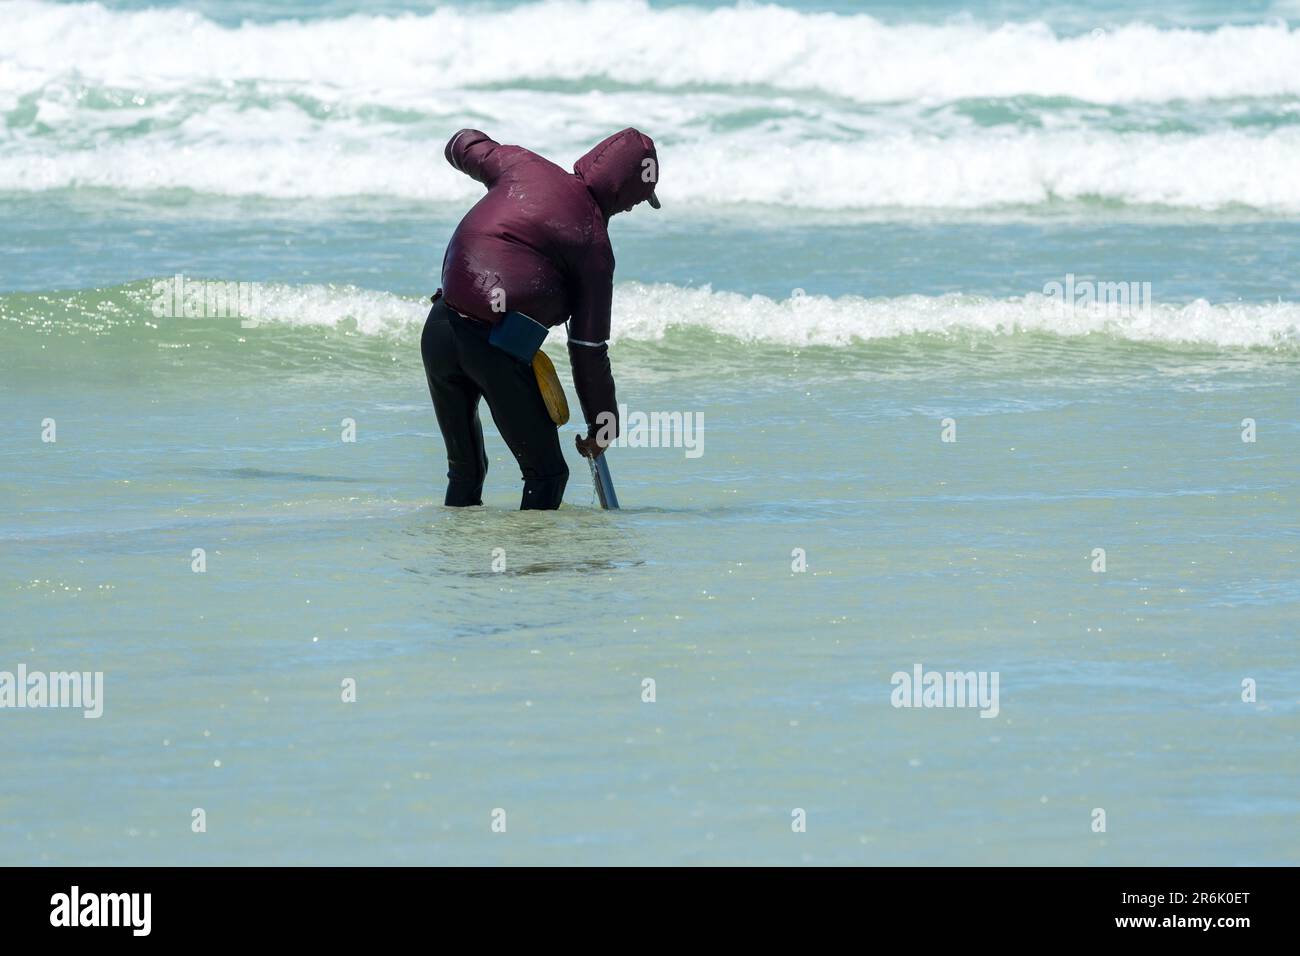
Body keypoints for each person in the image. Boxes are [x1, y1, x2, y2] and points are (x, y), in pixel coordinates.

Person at [421, 127, 660, 509]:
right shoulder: (594, 246)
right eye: (637, 197)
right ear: (624, 186)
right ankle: (533, 566)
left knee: (465, 469)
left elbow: (465, 145)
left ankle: (457, 564)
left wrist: (457, 143)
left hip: (438, 329)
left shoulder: (522, 164)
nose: (632, 207)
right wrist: (603, 422)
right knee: (547, 474)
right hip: (491, 349)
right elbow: (588, 348)